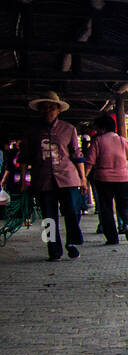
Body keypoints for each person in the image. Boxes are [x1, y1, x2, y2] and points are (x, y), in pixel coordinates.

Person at [22, 92, 88, 261]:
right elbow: (24, 157)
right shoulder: (32, 132)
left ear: (59, 110)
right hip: (43, 180)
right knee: (48, 217)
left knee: (72, 212)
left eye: (52, 107)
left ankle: (72, 243)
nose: (48, 111)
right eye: (44, 108)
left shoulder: (69, 129)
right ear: (40, 111)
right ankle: (53, 250)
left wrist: (83, 178)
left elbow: (77, 155)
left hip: (67, 178)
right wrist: (24, 180)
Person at [85, 114, 128, 244]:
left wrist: (83, 177)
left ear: (102, 128)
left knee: (106, 209)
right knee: (124, 205)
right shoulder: (123, 141)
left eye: (97, 128)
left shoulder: (98, 141)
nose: (96, 131)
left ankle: (112, 238)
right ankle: (127, 224)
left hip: (103, 180)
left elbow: (90, 162)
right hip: (122, 179)